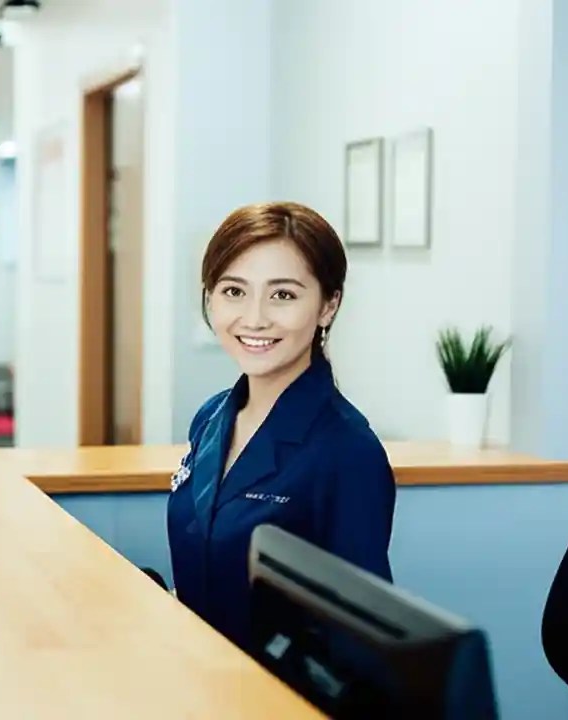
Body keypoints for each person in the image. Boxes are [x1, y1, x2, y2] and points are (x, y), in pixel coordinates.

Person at [167, 201, 396, 652]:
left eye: (283, 295)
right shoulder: (212, 417)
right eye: (234, 291)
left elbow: (360, 640)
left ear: (328, 305)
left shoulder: (347, 452)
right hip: (198, 679)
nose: (254, 318)